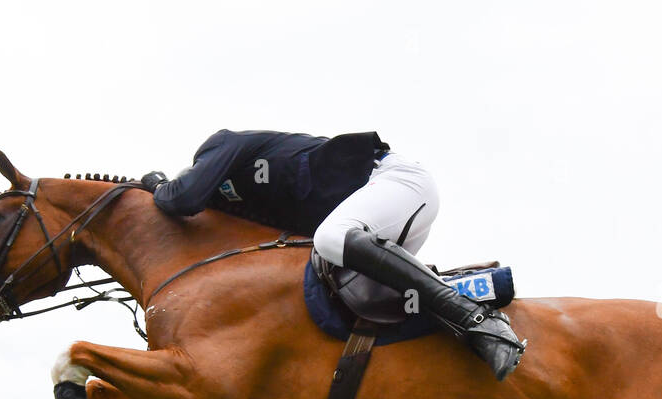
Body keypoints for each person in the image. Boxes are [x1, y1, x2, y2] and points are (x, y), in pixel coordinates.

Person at [138, 129, 524, 380]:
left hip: (395, 180)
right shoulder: (259, 206)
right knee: (363, 299)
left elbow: (182, 198)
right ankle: (468, 301)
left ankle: (479, 321)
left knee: (331, 237)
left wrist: (156, 184)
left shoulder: (223, 144)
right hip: (382, 216)